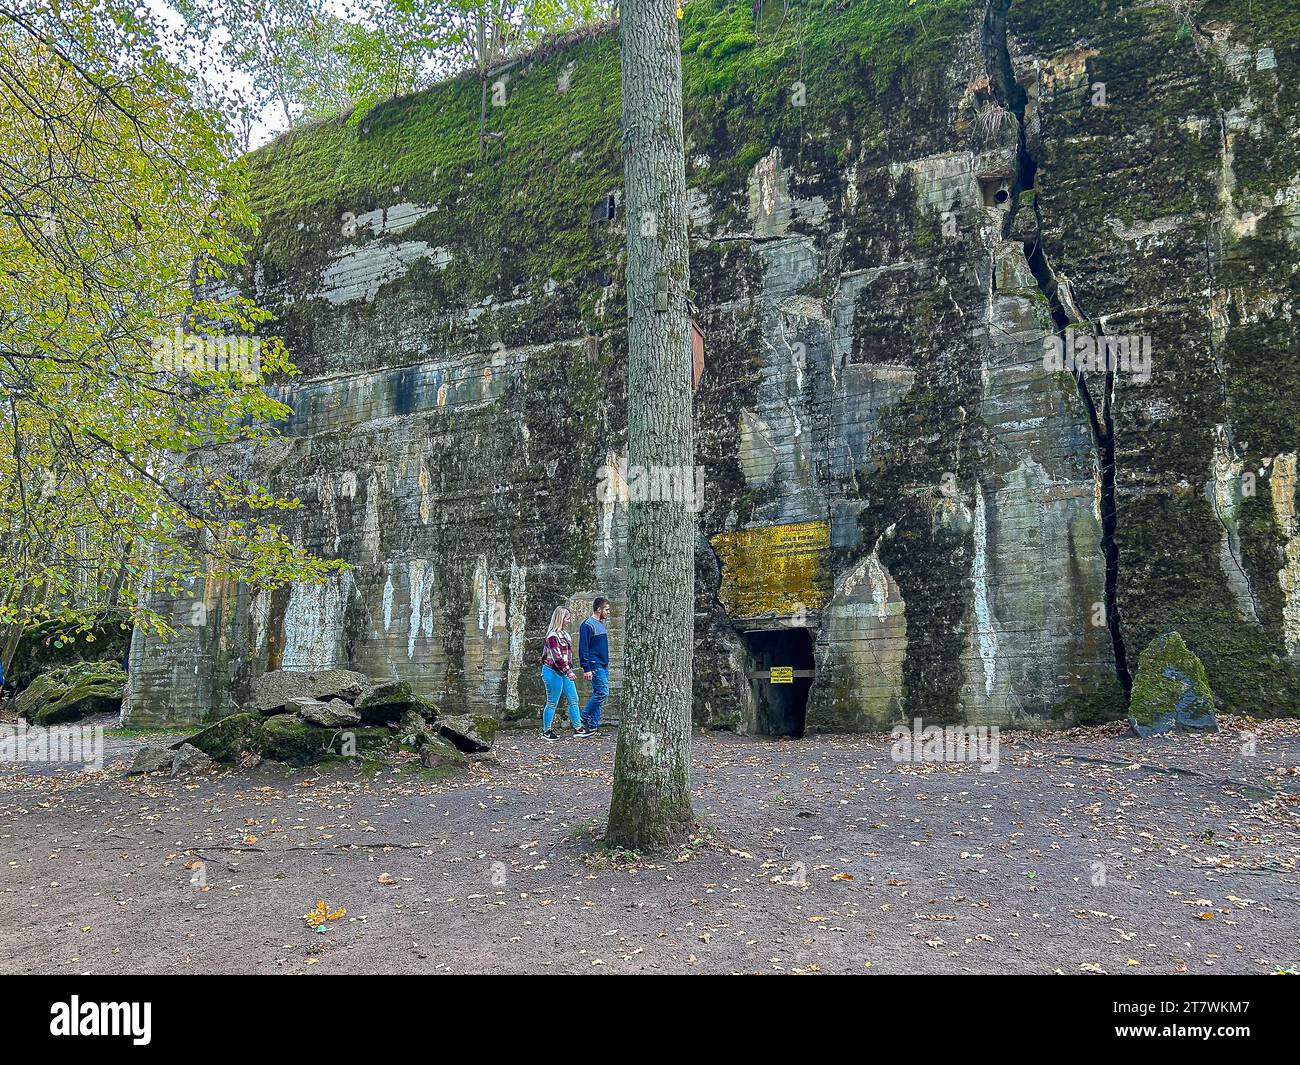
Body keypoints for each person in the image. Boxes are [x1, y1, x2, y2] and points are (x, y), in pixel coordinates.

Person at [540, 605, 589, 741]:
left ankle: (578, 728)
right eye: (567, 618)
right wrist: (568, 672)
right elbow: (557, 658)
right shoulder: (552, 636)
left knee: (574, 699)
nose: (569, 620)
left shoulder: (566, 635)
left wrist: (569, 670)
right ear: (560, 619)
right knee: (552, 702)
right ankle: (547, 731)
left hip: (564, 672)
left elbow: (568, 656)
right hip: (552, 672)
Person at [578, 596, 611, 735]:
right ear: (599, 609)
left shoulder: (601, 625)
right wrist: (587, 668)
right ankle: (584, 716)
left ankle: (592, 726)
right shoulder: (587, 625)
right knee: (603, 692)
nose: (608, 612)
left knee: (598, 693)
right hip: (594, 664)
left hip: (603, 664)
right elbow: (583, 648)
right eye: (606, 610)